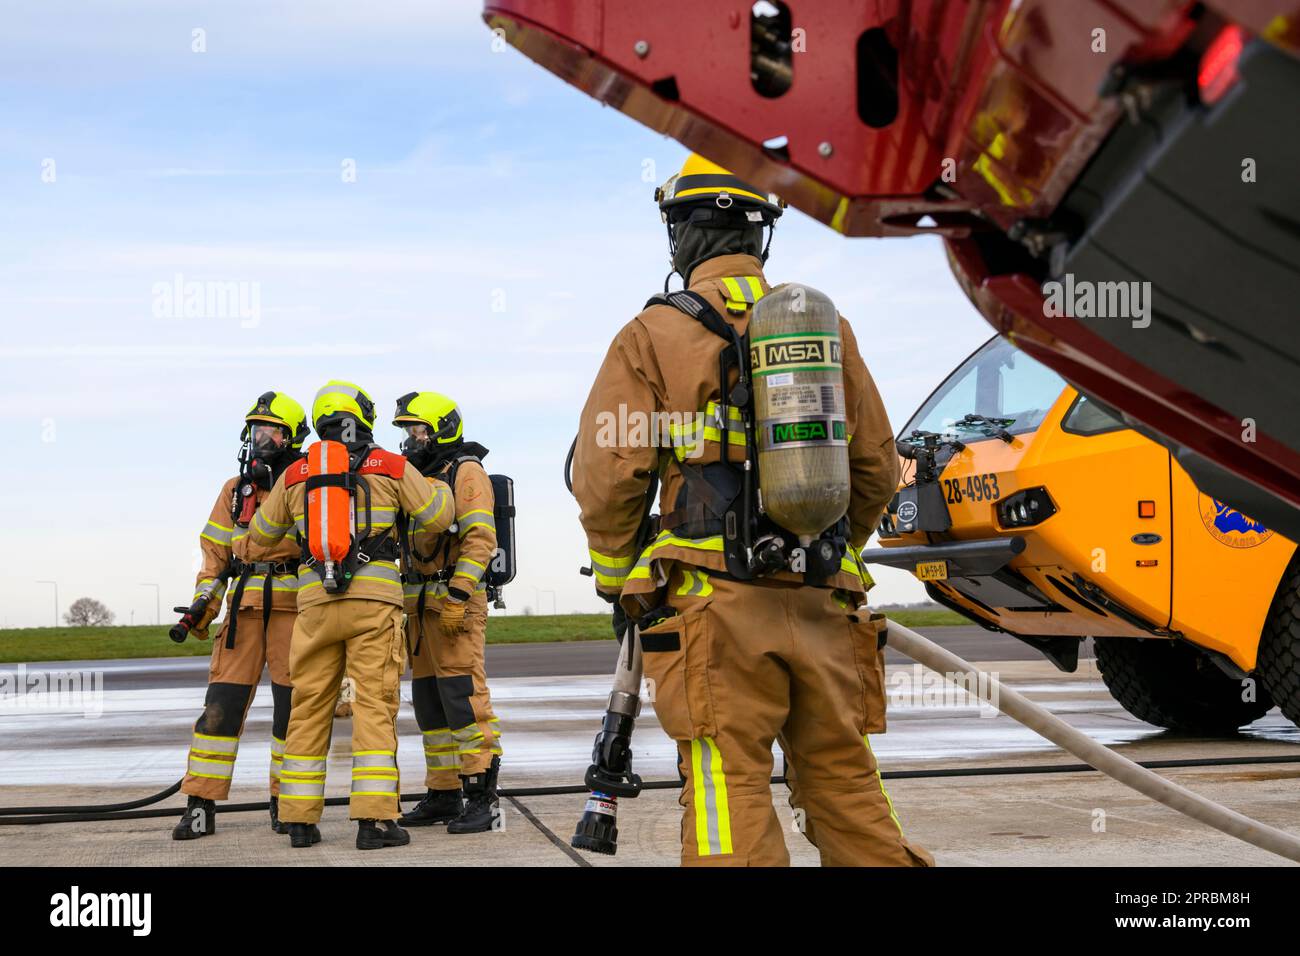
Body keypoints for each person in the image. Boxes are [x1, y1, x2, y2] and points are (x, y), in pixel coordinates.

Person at [571, 154, 933, 867]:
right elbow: (874, 466)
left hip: (712, 603)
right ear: (759, 234)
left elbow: (609, 477)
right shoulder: (829, 332)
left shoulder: (650, 335)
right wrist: (826, 549)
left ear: (682, 232)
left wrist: (619, 582)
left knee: (723, 779)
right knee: (844, 776)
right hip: (827, 595)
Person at [235, 380, 454, 850]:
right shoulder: (390, 465)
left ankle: (298, 821)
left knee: (307, 707)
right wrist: (432, 483)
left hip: (314, 603)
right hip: (374, 603)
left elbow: (259, 536)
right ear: (363, 417)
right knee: (374, 707)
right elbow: (437, 516)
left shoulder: (297, 472)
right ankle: (374, 823)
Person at [173, 391, 309, 840]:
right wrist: (203, 608)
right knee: (219, 710)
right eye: (254, 429)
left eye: (268, 430)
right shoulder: (235, 492)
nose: (259, 438)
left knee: (291, 717)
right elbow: (214, 560)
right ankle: (200, 805)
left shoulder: (309, 487)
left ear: (291, 437)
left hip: (295, 616)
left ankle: (287, 805)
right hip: (244, 616)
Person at [391, 392, 503, 833]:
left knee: (465, 700)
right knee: (430, 706)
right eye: (407, 431)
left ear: (440, 429)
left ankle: (482, 796)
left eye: (417, 429)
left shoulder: (465, 471)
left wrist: (458, 596)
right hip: (420, 611)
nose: (411, 439)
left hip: (455, 605)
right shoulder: (422, 478)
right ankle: (443, 793)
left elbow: (480, 540)